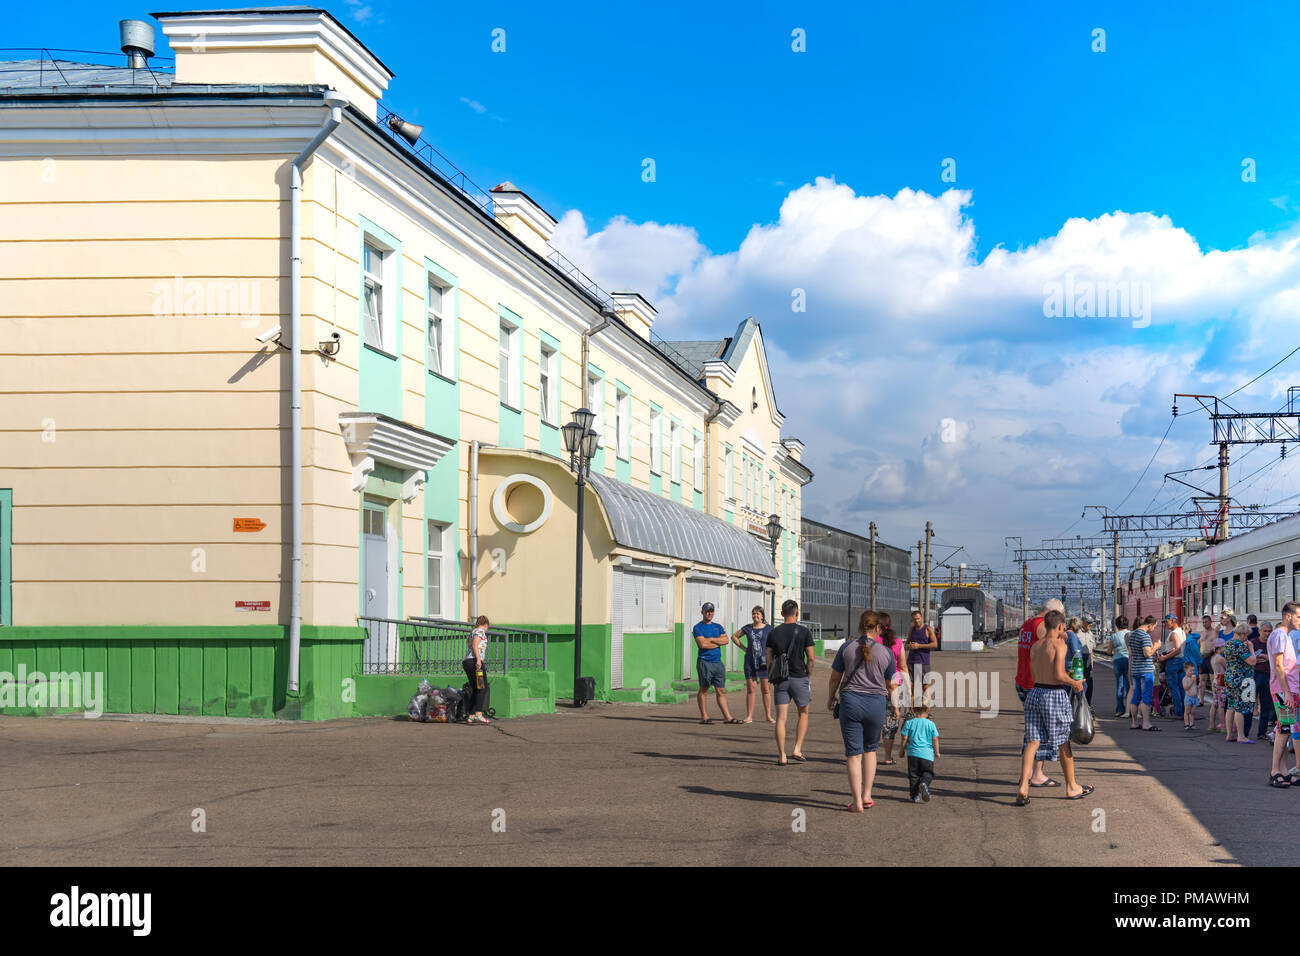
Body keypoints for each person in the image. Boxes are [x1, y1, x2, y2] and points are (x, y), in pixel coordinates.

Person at [1014, 609, 1091, 805]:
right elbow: (1057, 676)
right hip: (1053, 695)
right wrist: (1074, 681)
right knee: (1063, 741)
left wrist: (1067, 673)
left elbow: (1040, 672)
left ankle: (1023, 785)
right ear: (1059, 626)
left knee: (1032, 742)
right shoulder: (1059, 644)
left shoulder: (1036, 646)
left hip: (1035, 693)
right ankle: (1072, 787)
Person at [828, 609, 897, 810]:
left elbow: (834, 678)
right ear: (877, 628)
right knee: (871, 750)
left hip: (850, 703)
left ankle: (856, 801)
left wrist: (831, 697)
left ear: (860, 626)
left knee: (853, 753)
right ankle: (867, 795)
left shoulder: (846, 648)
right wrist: (895, 706)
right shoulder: (885, 652)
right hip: (876, 704)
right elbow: (891, 684)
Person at [1016, 598, 1065, 787]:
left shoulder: (1026, 623)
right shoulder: (1042, 627)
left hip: (1022, 680)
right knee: (1038, 733)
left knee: (1033, 732)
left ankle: (1029, 775)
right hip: (1036, 683)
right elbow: (1052, 651)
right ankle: (1035, 774)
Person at [766, 599, 815, 765]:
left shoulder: (773, 633)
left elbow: (768, 658)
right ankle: (797, 748)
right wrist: (808, 674)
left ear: (781, 614)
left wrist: (772, 674)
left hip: (781, 679)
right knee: (803, 713)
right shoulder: (804, 632)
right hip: (799, 677)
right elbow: (812, 658)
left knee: (781, 718)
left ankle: (782, 755)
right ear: (797, 613)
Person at [1267, 602, 1300, 787]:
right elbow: (1279, 666)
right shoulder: (1280, 635)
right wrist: (1287, 692)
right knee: (1284, 730)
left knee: (1285, 731)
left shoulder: (1284, 635)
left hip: (1288, 689)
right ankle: (1274, 771)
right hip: (1282, 690)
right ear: (1288, 616)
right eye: (1298, 617)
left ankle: (1284, 771)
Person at [693, 602, 741, 725]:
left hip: (718, 663)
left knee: (721, 691)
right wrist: (717, 642)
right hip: (705, 662)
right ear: (702, 612)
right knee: (704, 689)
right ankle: (704, 716)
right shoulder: (698, 627)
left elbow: (726, 640)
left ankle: (727, 717)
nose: (710, 613)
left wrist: (711, 640)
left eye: (712, 611)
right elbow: (702, 644)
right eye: (707, 611)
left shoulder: (718, 626)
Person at [879, 614, 914, 767]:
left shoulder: (872, 642)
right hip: (895, 687)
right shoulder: (898, 643)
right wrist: (909, 690)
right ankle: (887, 756)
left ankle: (866, 754)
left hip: (874, 686)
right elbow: (903, 667)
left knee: (871, 721)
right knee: (891, 721)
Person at [732, 605, 774, 724]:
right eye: (754, 613)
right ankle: (749, 716)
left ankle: (768, 716)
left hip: (765, 663)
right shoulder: (747, 628)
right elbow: (734, 636)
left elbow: (775, 643)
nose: (755, 616)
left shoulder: (769, 629)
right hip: (750, 662)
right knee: (751, 689)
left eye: (758, 614)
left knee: (766, 689)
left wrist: (772, 655)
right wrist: (744, 648)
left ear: (762, 616)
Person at [1223, 622, 1258, 744]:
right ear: (1242, 634)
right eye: (1246, 635)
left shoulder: (1228, 643)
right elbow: (1252, 661)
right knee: (1240, 707)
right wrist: (1251, 648)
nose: (1247, 638)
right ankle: (1241, 736)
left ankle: (1229, 734)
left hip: (1230, 676)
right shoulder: (1240, 645)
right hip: (1241, 678)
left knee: (1231, 706)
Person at [1127, 615, 1162, 731]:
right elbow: (1147, 653)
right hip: (1146, 671)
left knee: (1136, 696)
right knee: (1146, 697)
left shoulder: (1132, 635)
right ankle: (1146, 723)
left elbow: (1131, 653)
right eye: (1154, 627)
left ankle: (1134, 722)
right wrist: (1156, 647)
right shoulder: (1145, 636)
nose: (1154, 629)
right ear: (1150, 625)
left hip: (1135, 669)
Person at [901, 702, 941, 802]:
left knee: (913, 775)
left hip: (912, 753)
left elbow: (904, 738)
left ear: (914, 710)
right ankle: (924, 783)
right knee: (928, 773)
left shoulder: (909, 723)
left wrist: (902, 750)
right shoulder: (931, 724)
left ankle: (914, 796)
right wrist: (937, 752)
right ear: (927, 711)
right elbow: (935, 739)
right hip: (927, 754)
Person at [462, 614, 493, 724]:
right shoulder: (480, 631)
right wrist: (479, 660)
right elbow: (475, 645)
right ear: (485, 625)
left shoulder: (472, 632)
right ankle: (478, 713)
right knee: (482, 687)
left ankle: (470, 715)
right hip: (475, 662)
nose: (486, 629)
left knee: (475, 688)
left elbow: (469, 643)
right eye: (487, 627)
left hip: (467, 661)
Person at [1157, 613, 1186, 718]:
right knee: (1181, 687)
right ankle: (1184, 712)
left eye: (1167, 621)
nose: (1165, 624)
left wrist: (1164, 657)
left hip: (1173, 662)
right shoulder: (1182, 632)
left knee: (1174, 687)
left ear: (1173, 620)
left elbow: (1177, 649)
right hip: (1181, 661)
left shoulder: (1174, 633)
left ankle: (1179, 712)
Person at [1249, 620, 1275, 740]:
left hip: (1269, 675)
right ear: (1259, 631)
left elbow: (1275, 659)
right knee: (1249, 703)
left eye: (1269, 631)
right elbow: (1251, 659)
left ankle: (1262, 733)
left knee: (1266, 705)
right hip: (1255, 674)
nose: (1267, 634)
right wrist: (1264, 658)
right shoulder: (1253, 643)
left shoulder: (1274, 643)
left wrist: (1264, 657)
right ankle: (1244, 732)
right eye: (1265, 631)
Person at [906, 609, 938, 685]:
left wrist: (919, 646)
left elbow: (935, 644)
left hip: (923, 661)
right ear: (912, 620)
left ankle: (926, 697)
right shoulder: (911, 629)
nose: (917, 621)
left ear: (922, 618)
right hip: (911, 661)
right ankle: (912, 697)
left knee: (925, 685)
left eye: (918, 618)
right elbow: (906, 645)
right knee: (911, 684)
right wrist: (909, 646)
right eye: (915, 619)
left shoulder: (928, 629)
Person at [1110, 615, 1131, 717]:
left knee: (1120, 686)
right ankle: (1129, 709)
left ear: (1117, 625)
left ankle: (1119, 710)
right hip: (1128, 660)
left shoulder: (1114, 636)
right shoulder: (1130, 634)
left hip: (1117, 661)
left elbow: (1109, 651)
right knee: (1129, 686)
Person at [1182, 616, 1203, 706]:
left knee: (1192, 686)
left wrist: (1199, 663)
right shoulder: (1187, 640)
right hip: (1188, 665)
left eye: (1182, 630)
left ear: (1186, 630)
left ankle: (1192, 703)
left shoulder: (1191, 640)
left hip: (1191, 666)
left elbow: (1196, 653)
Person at [1209, 646, 1228, 732]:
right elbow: (1228, 668)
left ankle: (1211, 725)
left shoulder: (1213, 657)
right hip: (1222, 682)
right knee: (1221, 705)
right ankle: (1223, 726)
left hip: (1215, 681)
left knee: (1214, 704)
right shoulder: (1220, 658)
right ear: (1219, 648)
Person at [1197, 617, 1216, 701]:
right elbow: (1198, 644)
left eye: (1206, 622)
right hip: (1202, 658)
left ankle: (1215, 700)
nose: (1204, 624)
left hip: (1211, 657)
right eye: (1203, 622)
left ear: (1210, 622)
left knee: (1213, 680)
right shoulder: (1202, 633)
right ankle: (1201, 700)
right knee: (1202, 680)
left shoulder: (1215, 632)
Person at [1079, 618, 1097, 707]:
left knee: (1089, 682)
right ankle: (1079, 703)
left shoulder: (1091, 634)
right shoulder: (1077, 633)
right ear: (1083, 622)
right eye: (1088, 623)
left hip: (1088, 660)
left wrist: (1092, 663)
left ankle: (1088, 704)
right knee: (1079, 681)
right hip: (1079, 659)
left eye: (1091, 623)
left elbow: (1091, 651)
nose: (1090, 625)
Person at [1181, 662, 1199, 730]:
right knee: (1187, 711)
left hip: (1195, 697)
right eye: (1190, 671)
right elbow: (1186, 688)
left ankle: (1192, 723)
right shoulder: (1185, 679)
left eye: (1193, 670)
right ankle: (1186, 723)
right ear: (1185, 670)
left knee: (1193, 712)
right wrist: (1191, 681)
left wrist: (1198, 687)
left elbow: (1194, 687)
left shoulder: (1193, 678)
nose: (1192, 672)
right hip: (1188, 697)